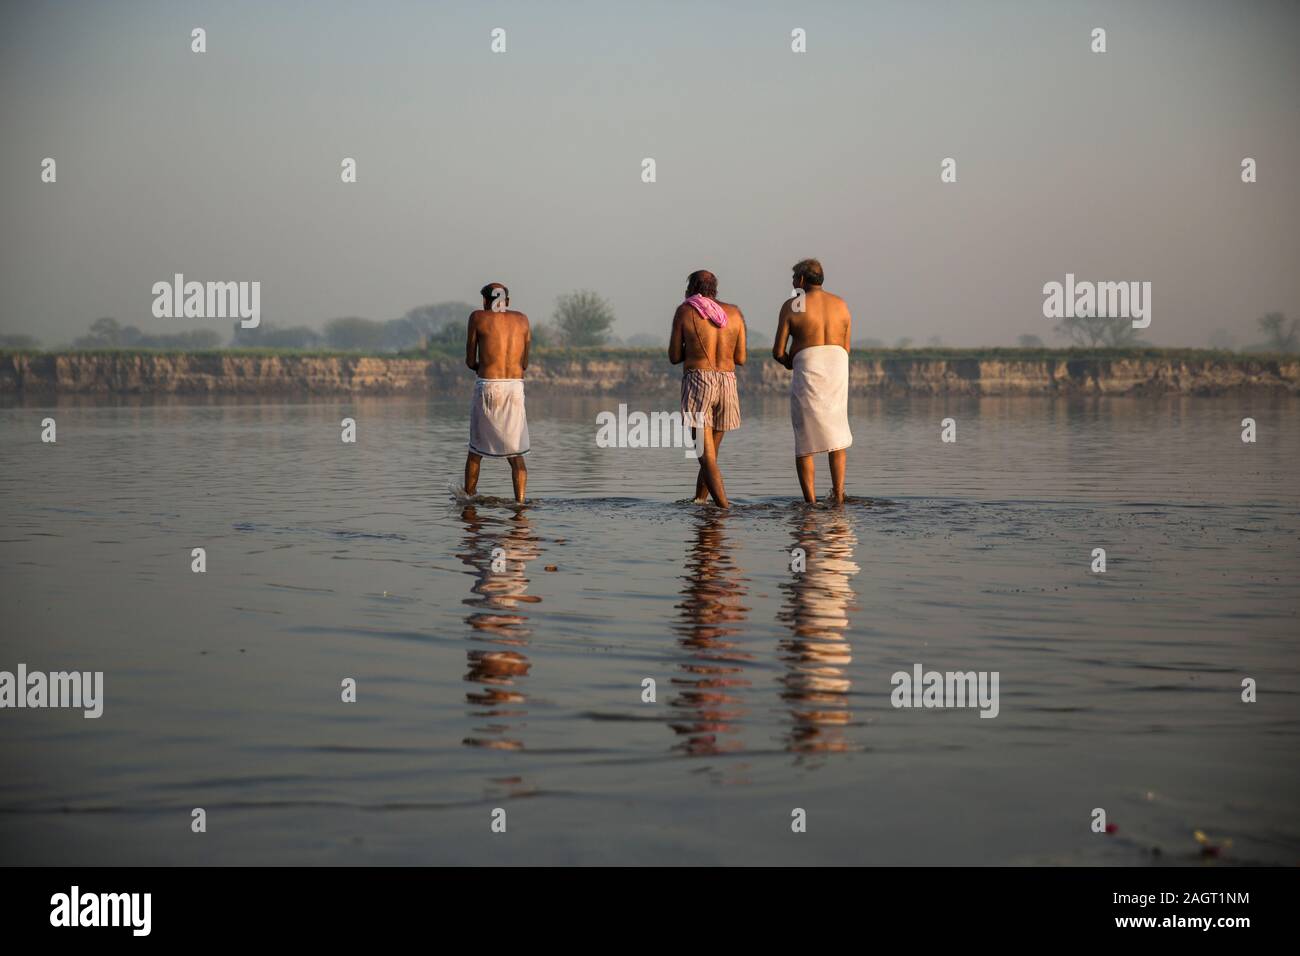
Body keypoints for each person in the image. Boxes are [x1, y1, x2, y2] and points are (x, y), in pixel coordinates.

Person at [772, 258, 853, 503]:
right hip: (838, 365)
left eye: (794, 278)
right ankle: (838, 496)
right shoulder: (841, 304)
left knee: (805, 436)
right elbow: (846, 347)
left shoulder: (793, 305)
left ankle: (811, 502)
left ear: (803, 280)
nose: (793, 283)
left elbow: (778, 351)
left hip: (809, 365)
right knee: (837, 434)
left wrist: (790, 361)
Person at [668, 270, 746, 507]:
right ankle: (700, 501)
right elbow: (741, 357)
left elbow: (674, 356)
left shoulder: (685, 310)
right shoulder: (734, 313)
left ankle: (724, 507)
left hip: (699, 381)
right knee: (710, 455)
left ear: (691, 289)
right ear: (715, 289)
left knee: (705, 455)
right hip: (728, 383)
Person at [463, 282, 531, 503]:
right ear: (507, 301)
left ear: (485, 301)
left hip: (490, 386)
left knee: (476, 451)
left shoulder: (478, 317)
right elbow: (525, 363)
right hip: (515, 387)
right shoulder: (522, 319)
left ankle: (468, 500)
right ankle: (520, 503)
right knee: (516, 453)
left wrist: (482, 368)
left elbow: (470, 360)